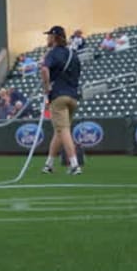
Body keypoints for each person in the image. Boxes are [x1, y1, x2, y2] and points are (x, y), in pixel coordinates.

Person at [39, 25, 83, 175]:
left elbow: (44, 69)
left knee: (63, 130)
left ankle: (74, 165)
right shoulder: (73, 54)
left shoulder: (52, 53)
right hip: (73, 97)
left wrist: (46, 87)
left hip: (58, 97)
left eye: (49, 36)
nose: (47, 39)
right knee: (60, 131)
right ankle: (49, 164)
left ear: (54, 37)